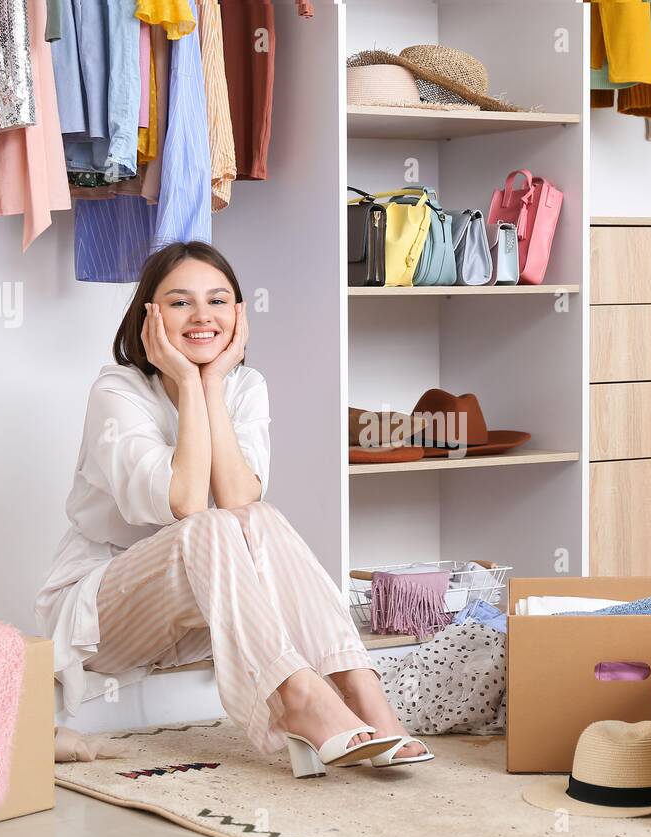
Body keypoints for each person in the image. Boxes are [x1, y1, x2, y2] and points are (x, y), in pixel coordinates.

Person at [35, 241, 432, 777]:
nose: (202, 316)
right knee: (211, 526)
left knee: (256, 517)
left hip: (209, 609)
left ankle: (361, 688)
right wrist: (186, 379)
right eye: (179, 303)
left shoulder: (246, 386)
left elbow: (243, 498)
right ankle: (296, 698)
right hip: (104, 618)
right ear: (148, 315)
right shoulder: (118, 390)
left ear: (239, 314)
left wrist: (214, 382)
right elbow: (187, 503)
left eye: (219, 301)